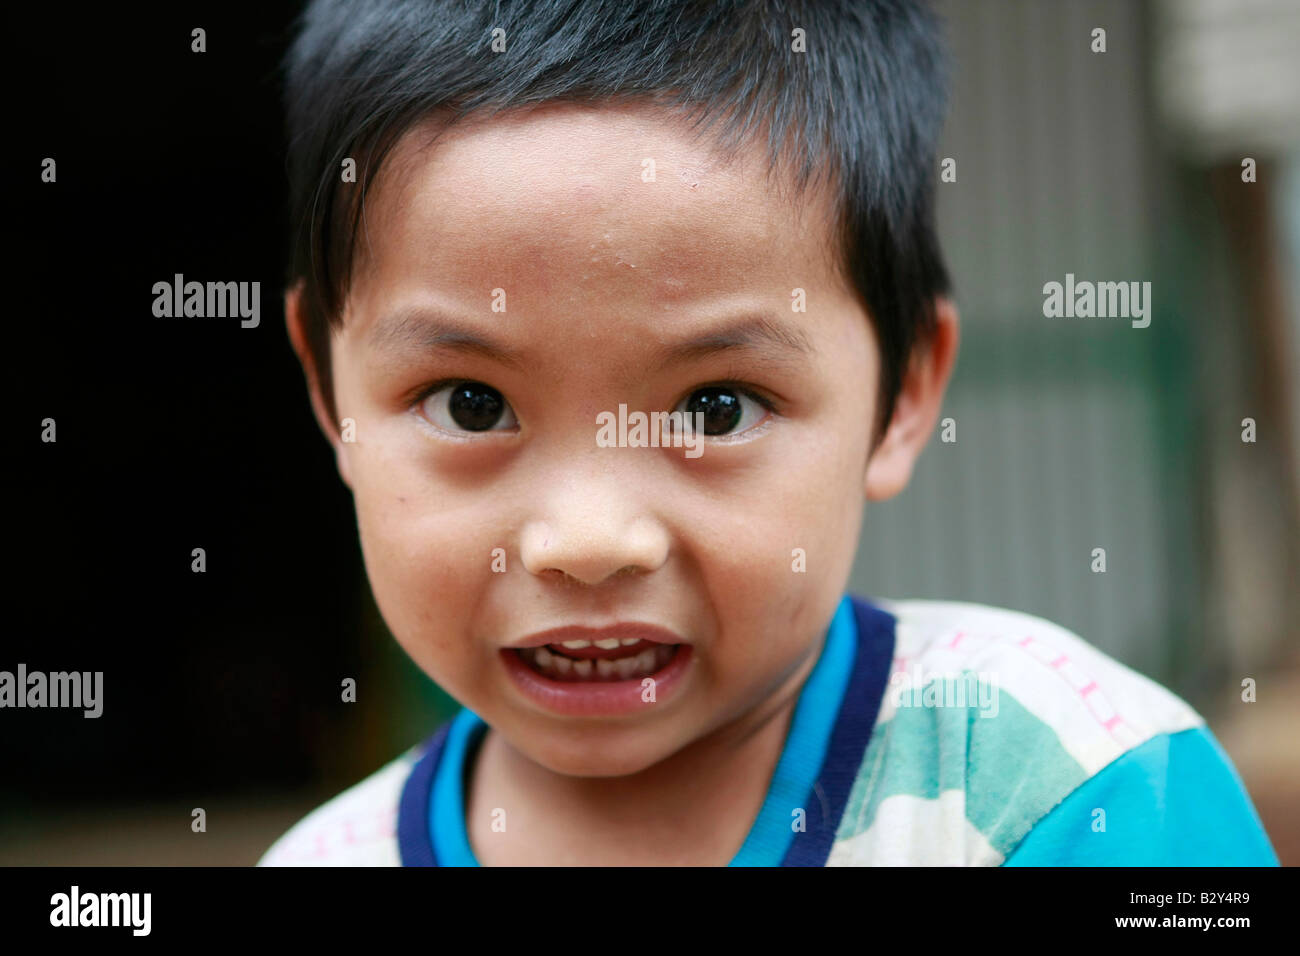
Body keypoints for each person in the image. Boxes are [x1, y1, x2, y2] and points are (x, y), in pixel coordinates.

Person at [259, 0, 1278, 866]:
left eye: (716, 406)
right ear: (326, 382)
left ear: (905, 385)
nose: (587, 539)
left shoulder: (1073, 790)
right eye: (470, 402)